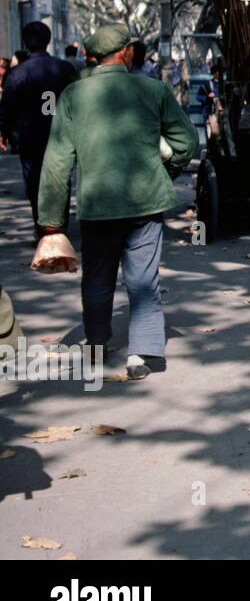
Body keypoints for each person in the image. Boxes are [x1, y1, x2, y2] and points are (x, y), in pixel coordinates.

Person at [37, 23, 199, 379]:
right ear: (125, 52)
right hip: (145, 202)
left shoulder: (72, 96)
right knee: (143, 277)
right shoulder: (153, 90)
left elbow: (57, 162)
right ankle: (142, 354)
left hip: (98, 205)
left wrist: (52, 221)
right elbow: (187, 142)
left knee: (97, 277)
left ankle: (96, 344)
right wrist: (165, 173)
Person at [0, 21, 81, 240]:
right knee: (60, 178)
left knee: (34, 181)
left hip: (30, 135)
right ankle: (59, 224)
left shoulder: (17, 74)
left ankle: (42, 226)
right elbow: (77, 101)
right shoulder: (64, 69)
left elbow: (7, 106)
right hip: (61, 133)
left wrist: (4, 132)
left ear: (25, 42)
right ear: (49, 41)